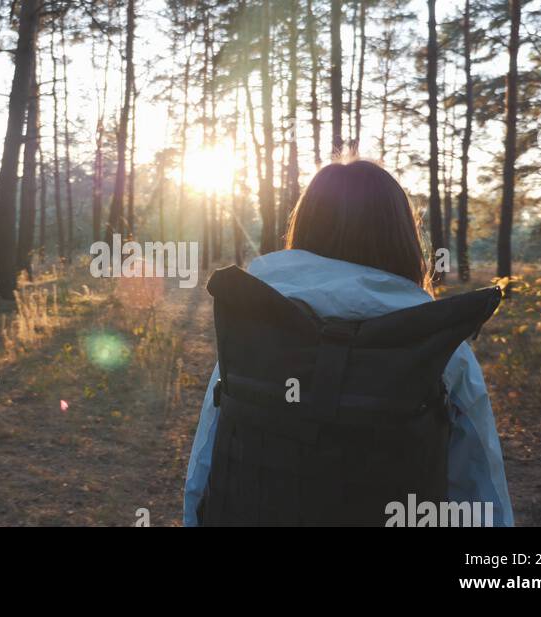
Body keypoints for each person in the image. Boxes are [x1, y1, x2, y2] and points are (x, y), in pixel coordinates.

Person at [183, 160, 513, 526]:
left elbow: (204, 470)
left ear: (304, 229)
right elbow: (481, 497)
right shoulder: (442, 349)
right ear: (402, 239)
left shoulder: (253, 334)